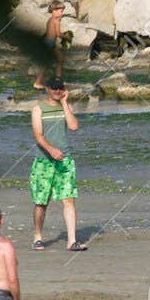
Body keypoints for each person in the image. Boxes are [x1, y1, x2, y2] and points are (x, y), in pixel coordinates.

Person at [29, 80, 84, 251]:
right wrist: (51, 149)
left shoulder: (65, 106)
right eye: (54, 88)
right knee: (41, 202)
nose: (57, 91)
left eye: (60, 88)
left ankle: (72, 241)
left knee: (68, 199)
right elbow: (38, 135)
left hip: (64, 159)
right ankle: (38, 236)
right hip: (43, 161)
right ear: (47, 89)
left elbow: (74, 126)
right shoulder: (38, 108)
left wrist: (65, 102)